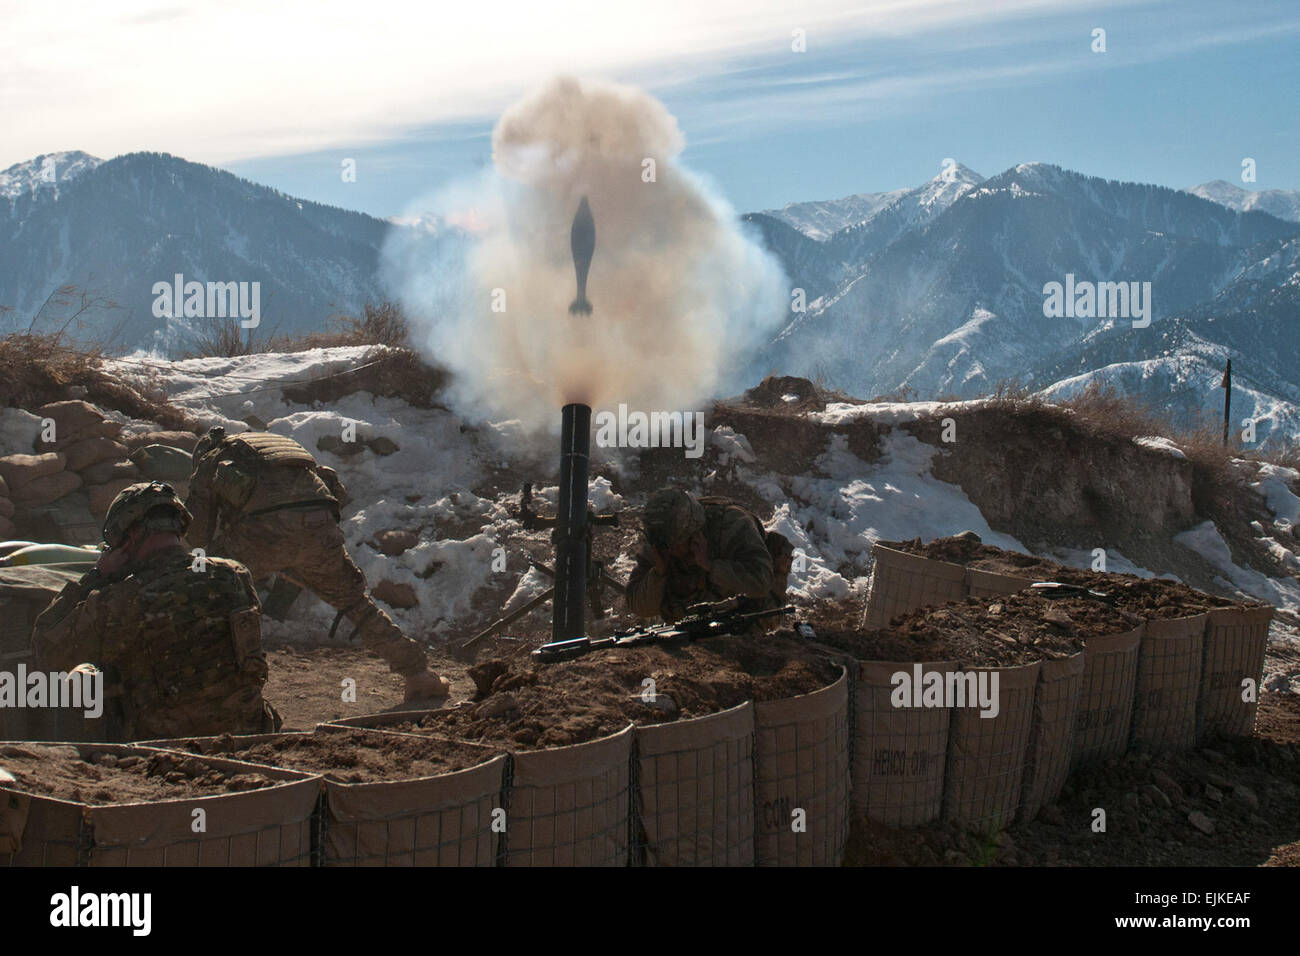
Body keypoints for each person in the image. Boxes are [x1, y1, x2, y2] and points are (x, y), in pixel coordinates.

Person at [185, 426, 449, 700]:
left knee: (209, 596)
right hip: (319, 530)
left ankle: (205, 683)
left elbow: (197, 532)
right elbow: (334, 490)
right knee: (356, 605)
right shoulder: (280, 445)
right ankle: (419, 675)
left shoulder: (213, 458)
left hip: (260, 533)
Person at [32, 482, 279, 741]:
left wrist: (96, 577)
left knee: (83, 681)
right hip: (246, 736)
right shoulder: (234, 574)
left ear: (130, 538)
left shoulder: (119, 600)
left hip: (161, 747)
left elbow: (47, 651)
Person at [626, 489, 784, 622]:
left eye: (674, 545)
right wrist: (658, 573)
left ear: (694, 534)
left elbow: (762, 582)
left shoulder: (732, 525)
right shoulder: (660, 538)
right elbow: (639, 607)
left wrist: (711, 566)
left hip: (750, 604)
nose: (668, 551)